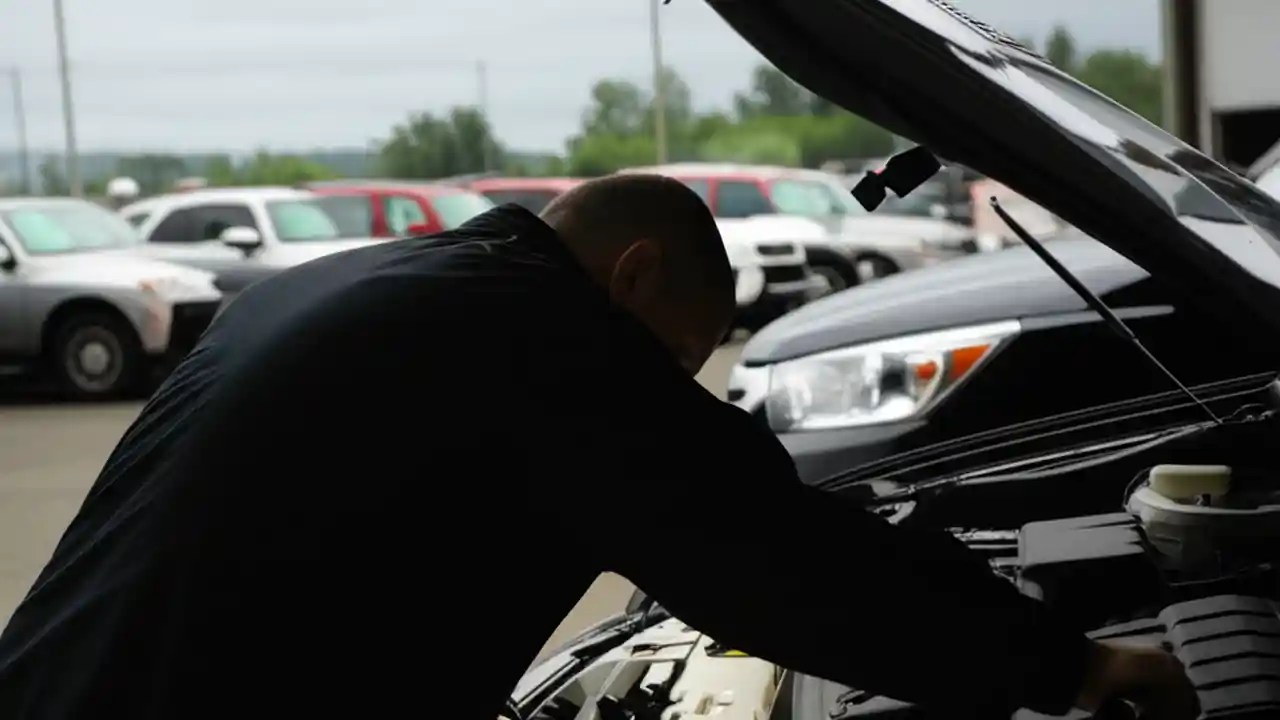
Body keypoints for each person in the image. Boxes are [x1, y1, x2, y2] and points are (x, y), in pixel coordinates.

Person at [0, 175, 1196, 719]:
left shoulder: (381, 283)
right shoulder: (536, 338)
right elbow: (762, 552)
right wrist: (1068, 667)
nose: (670, 394)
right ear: (631, 277)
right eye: (678, 363)